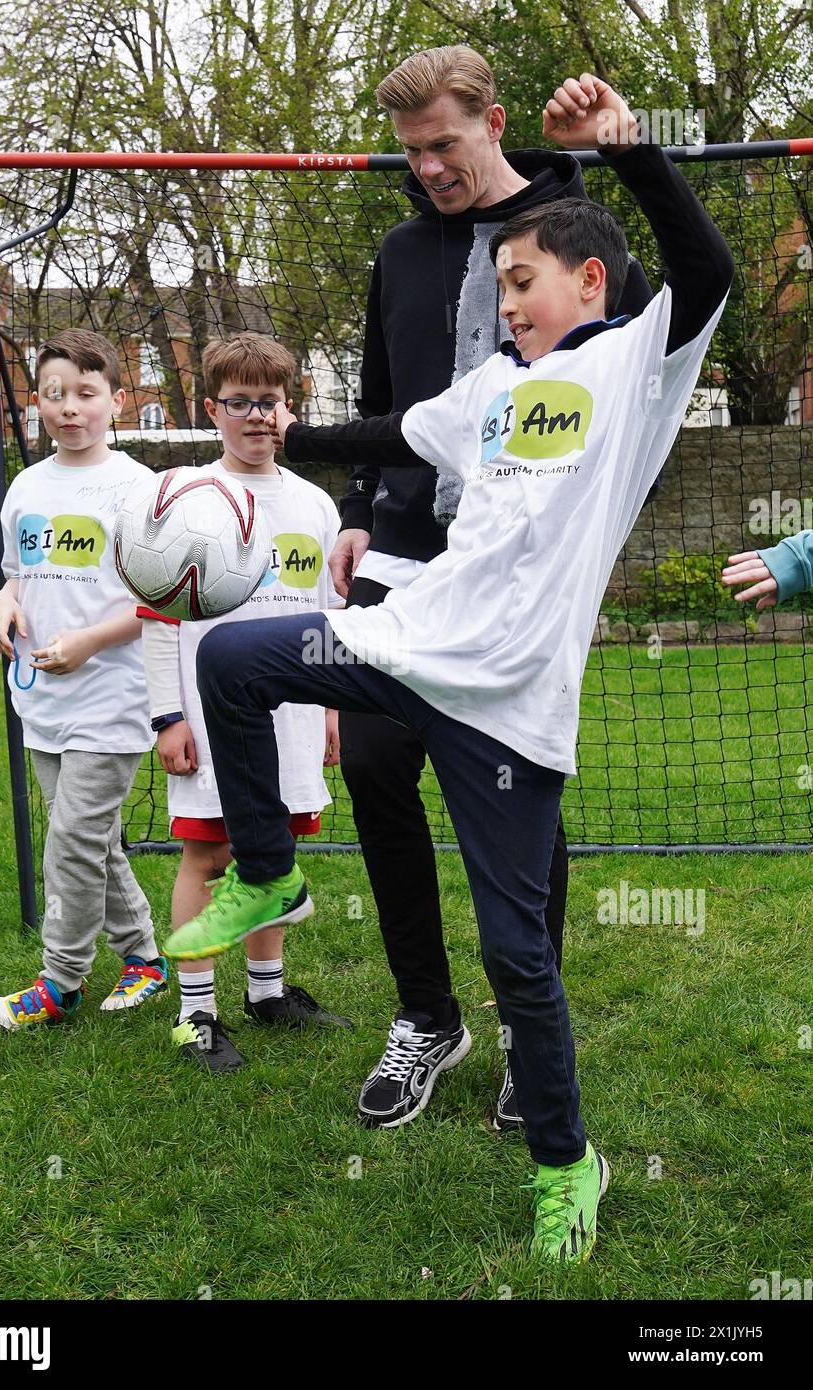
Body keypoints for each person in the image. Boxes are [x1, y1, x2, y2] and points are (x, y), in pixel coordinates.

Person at [164, 73, 733, 1262]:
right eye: (496, 284)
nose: (503, 301)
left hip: (509, 707)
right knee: (230, 655)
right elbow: (387, 430)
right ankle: (268, 873)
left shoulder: (634, 366)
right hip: (404, 643)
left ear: (586, 282)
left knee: (516, 957)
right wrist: (276, 436)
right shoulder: (491, 390)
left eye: (519, 282)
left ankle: (565, 1160)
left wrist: (623, 149)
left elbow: (704, 267)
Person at [326, 44, 654, 1131]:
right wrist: (355, 512)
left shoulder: (570, 226)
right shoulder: (398, 251)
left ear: (493, 120)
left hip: (515, 567)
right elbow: (378, 394)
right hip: (404, 553)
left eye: (444, 144)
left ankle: (526, 1027)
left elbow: (649, 337)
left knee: (514, 786)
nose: (426, 168)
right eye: (410, 152)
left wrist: (608, 143)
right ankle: (427, 1015)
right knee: (372, 764)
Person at [140, 332, 352, 1070]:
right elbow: (159, 619)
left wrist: (330, 710)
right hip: (206, 716)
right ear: (212, 408)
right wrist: (168, 715)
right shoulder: (188, 498)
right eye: (239, 403)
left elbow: (330, 615)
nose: (256, 417)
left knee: (276, 852)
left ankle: (267, 992)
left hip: (292, 718)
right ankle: (195, 1015)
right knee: (207, 852)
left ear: (289, 406)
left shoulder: (318, 505)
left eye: (269, 401)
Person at [0, 329, 167, 1031]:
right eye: (55, 394)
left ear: (115, 401)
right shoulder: (27, 486)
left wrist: (89, 641)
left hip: (113, 699)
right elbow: (16, 574)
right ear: (39, 402)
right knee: (88, 837)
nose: (69, 408)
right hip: (40, 695)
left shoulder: (140, 488)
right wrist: (5, 603)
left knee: (73, 843)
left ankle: (59, 983)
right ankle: (145, 959)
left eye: (86, 394)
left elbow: (160, 600)